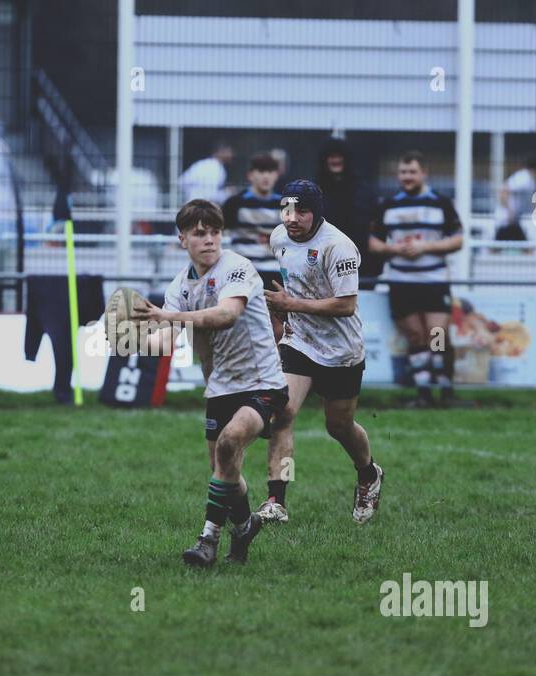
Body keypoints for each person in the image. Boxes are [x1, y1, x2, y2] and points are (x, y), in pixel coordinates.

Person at [132, 199, 286, 567]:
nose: (209, 240)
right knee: (225, 468)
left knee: (230, 443)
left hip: (262, 380)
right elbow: (166, 341)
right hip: (220, 386)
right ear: (182, 238)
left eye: (215, 232)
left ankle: (207, 540)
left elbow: (227, 315)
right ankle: (246, 525)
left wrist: (167, 315)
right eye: (200, 233)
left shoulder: (238, 267)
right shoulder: (179, 287)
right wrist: (131, 340)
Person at [257, 179, 384, 525]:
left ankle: (368, 473)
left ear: (317, 212)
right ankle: (275, 500)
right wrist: (283, 312)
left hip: (341, 350)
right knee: (283, 414)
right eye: (286, 209)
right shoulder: (278, 238)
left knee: (338, 426)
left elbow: (345, 305)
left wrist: (291, 302)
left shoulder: (338, 247)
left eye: (302, 210)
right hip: (299, 342)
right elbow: (291, 286)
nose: (292, 217)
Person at [368, 151, 465, 408]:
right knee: (415, 336)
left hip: (433, 280)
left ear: (424, 173)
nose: (407, 177)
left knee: (437, 334)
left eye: (412, 172)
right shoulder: (388, 205)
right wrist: (395, 250)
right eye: (403, 172)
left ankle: (445, 391)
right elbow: (373, 243)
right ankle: (423, 393)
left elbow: (458, 239)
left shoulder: (441, 203)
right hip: (401, 282)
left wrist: (426, 248)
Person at [221, 152, 284, 307]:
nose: (266, 177)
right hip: (243, 272)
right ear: (250, 175)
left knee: (276, 323)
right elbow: (218, 232)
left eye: (270, 172)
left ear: (276, 175)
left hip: (275, 272)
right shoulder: (234, 203)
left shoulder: (285, 204)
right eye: (261, 172)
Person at [315, 137, 379, 288]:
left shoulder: (364, 190)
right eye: (331, 156)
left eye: (339, 156)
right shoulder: (314, 190)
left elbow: (375, 225)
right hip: (323, 263)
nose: (335, 160)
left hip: (360, 265)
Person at [495, 157, 536, 243]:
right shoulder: (523, 178)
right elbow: (503, 191)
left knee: (523, 246)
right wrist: (510, 212)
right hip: (506, 219)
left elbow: (532, 200)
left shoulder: (534, 182)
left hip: (515, 220)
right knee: (497, 246)